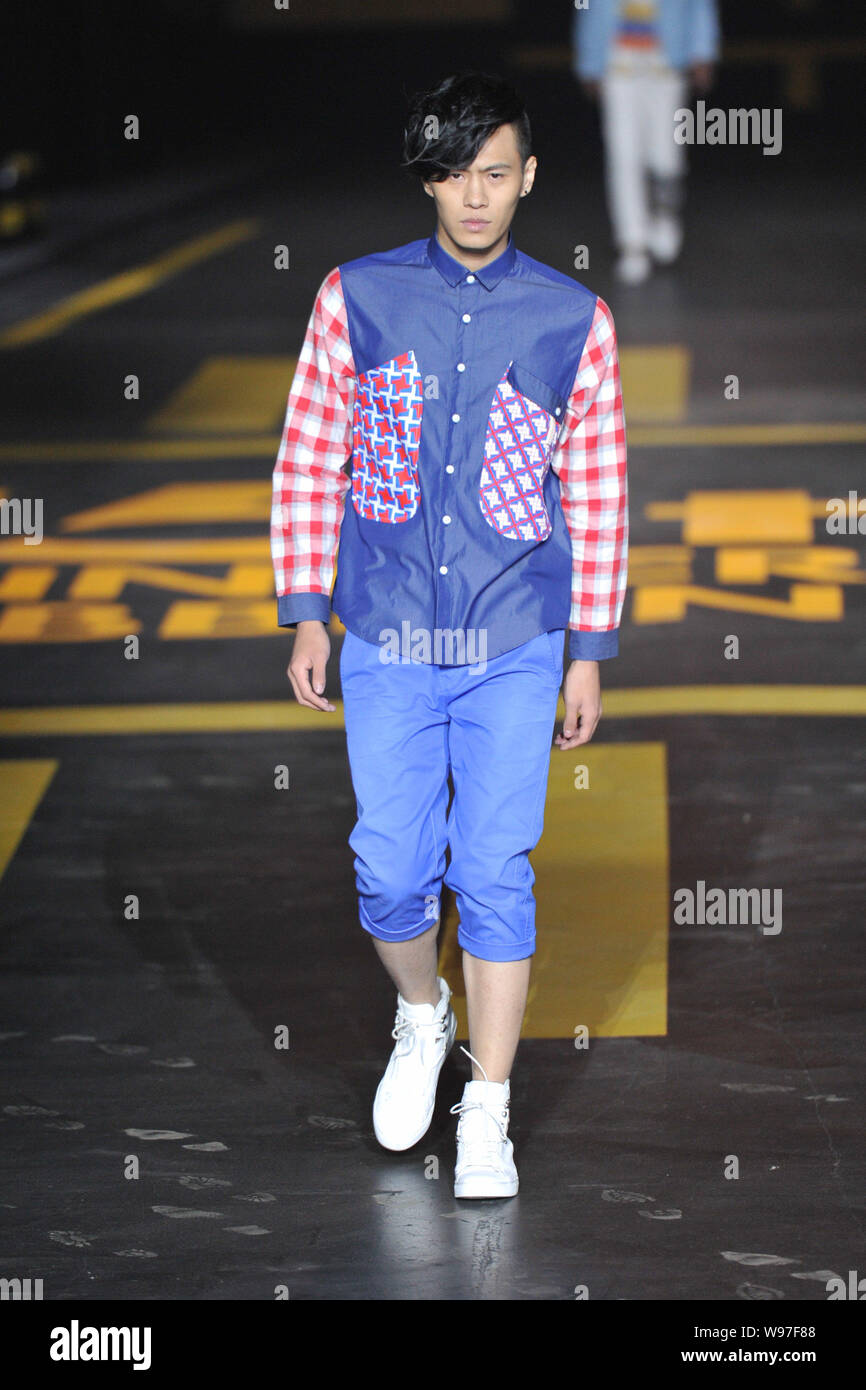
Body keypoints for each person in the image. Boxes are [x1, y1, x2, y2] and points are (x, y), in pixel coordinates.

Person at [270, 71, 628, 1199]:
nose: (472, 197)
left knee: (494, 871)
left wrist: (587, 650)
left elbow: (600, 492)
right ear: (427, 176)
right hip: (378, 632)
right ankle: (420, 1016)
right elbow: (308, 458)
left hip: (515, 640)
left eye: (494, 174)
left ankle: (489, 1103)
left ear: (525, 177)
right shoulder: (354, 298)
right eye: (452, 174)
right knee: (388, 870)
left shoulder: (574, 319)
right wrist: (304, 609)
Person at [572, 0, 720, 284]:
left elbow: (699, 6)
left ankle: (665, 219)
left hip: (666, 62)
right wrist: (589, 62)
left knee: (666, 156)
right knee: (623, 156)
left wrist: (702, 52)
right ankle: (633, 243)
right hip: (619, 66)